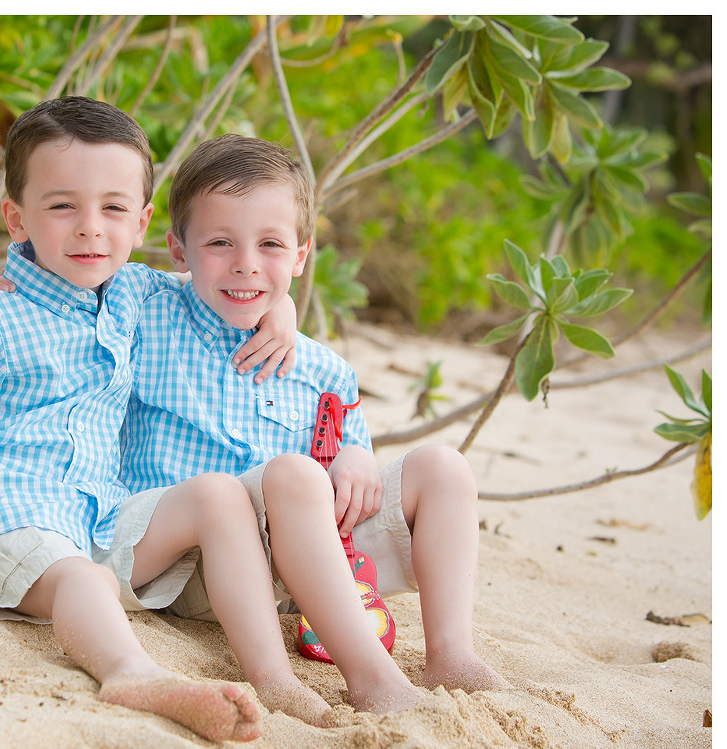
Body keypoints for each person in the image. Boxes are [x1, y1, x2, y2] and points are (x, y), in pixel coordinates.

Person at [0, 98, 299, 742]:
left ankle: (274, 673)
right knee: (82, 577)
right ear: (18, 218)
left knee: (217, 495)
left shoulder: (132, 294)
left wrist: (282, 308)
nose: (91, 229)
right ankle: (129, 671)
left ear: (145, 220)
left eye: (114, 209)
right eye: (63, 206)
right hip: (1, 511)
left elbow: (231, 286)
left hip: (93, 514)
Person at [116, 134, 507, 704]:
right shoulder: (146, 310)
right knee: (295, 473)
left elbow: (351, 452)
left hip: (308, 572)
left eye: (270, 245)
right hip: (197, 564)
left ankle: (451, 654)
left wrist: (356, 457)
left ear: (301, 255)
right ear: (179, 250)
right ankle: (371, 678)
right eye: (220, 242)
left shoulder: (325, 370)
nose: (245, 264)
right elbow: (82, 270)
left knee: (443, 468)